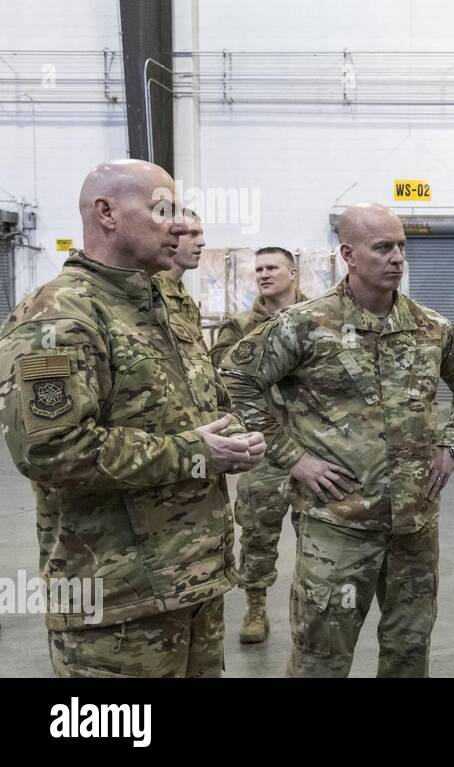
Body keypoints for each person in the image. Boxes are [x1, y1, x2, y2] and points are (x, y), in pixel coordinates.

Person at [0, 159, 265, 677]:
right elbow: (50, 450)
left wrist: (229, 438)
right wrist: (195, 453)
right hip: (118, 604)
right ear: (107, 213)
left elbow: (193, 402)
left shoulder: (164, 300)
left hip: (196, 583)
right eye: (161, 209)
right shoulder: (58, 316)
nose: (180, 224)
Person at [223, 202, 454, 677]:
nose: (397, 258)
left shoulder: (431, 327)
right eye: (383, 247)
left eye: (401, 247)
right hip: (337, 522)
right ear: (348, 253)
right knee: (320, 656)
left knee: (409, 651)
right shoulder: (304, 325)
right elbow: (235, 379)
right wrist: (293, 457)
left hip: (415, 523)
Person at [211, 246, 309, 644]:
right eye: (259, 270)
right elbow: (220, 379)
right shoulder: (239, 326)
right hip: (264, 446)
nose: (264, 275)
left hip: (313, 444)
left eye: (272, 268)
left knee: (317, 535)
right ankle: (255, 607)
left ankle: (309, 611)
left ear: (293, 272)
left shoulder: (320, 316)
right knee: (257, 533)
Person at [154, 208, 206, 344]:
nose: (202, 242)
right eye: (193, 234)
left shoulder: (187, 302)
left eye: (201, 234)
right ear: (173, 236)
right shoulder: (150, 292)